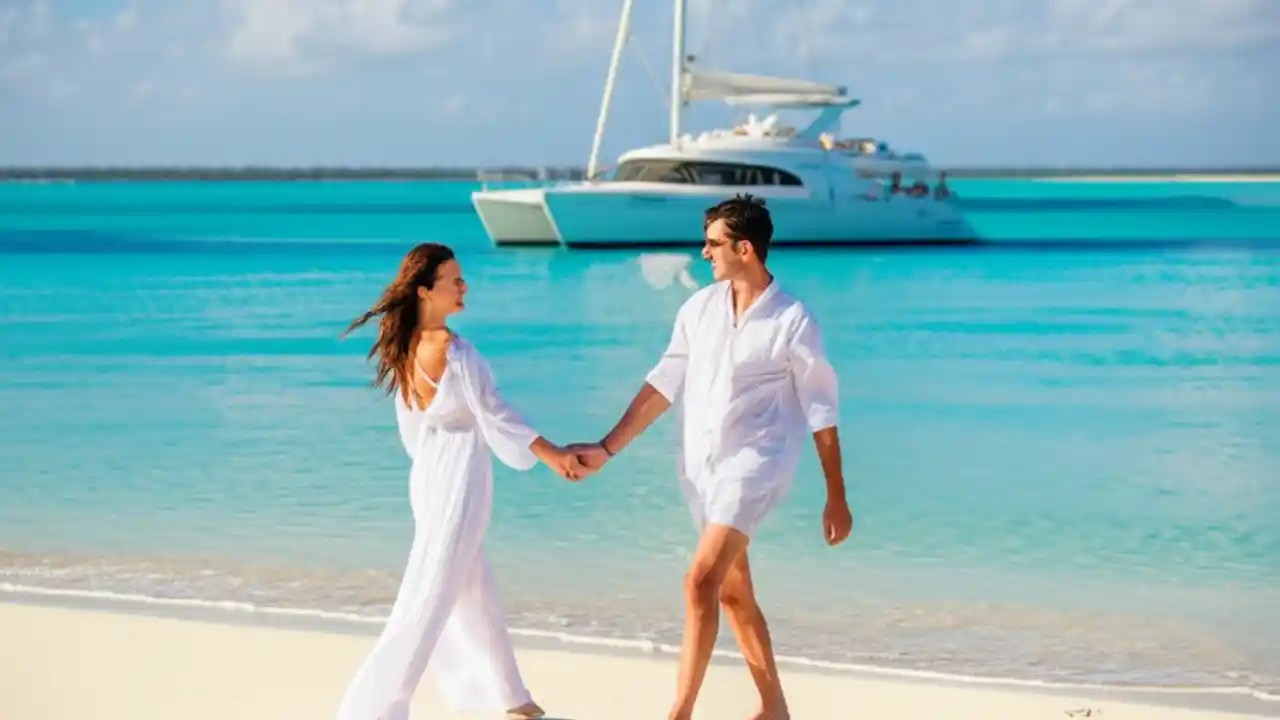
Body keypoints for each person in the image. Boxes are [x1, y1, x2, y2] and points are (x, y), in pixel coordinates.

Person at [573, 195, 854, 720]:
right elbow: (664, 383)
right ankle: (775, 708)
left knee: (698, 579)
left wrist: (836, 495)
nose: (704, 253)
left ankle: (678, 713)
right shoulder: (698, 308)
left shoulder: (793, 319)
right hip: (701, 467)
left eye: (714, 244)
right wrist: (609, 448)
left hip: (757, 464)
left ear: (744, 248)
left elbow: (822, 409)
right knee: (730, 592)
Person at [336, 243, 586, 720]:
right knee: (430, 594)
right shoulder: (454, 350)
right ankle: (376, 706)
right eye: (454, 279)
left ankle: (514, 699)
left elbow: (416, 428)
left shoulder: (407, 345)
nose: (464, 286)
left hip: (429, 476)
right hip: (457, 483)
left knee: (473, 588)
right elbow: (496, 414)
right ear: (426, 289)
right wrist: (553, 455)